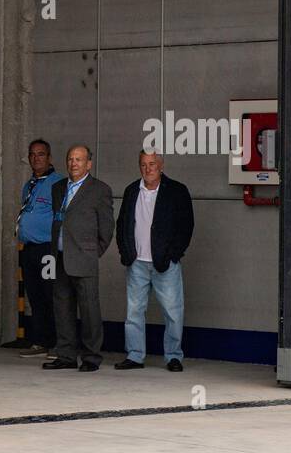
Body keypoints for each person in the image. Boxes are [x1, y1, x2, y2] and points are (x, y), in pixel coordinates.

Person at [115, 151, 194, 372]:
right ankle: (134, 355)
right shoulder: (132, 190)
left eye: (152, 164)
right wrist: (125, 253)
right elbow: (122, 224)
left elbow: (186, 226)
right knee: (133, 312)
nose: (148, 169)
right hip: (137, 262)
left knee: (172, 311)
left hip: (165, 263)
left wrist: (174, 254)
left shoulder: (177, 191)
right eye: (143, 164)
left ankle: (173, 356)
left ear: (161, 165)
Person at [44, 144, 114, 372]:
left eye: (79, 159)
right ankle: (65, 355)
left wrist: (92, 252)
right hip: (60, 256)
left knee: (89, 310)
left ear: (89, 164)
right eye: (71, 159)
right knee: (61, 308)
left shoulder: (99, 189)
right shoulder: (57, 188)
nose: (74, 163)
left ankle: (91, 357)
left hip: (84, 258)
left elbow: (106, 228)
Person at [16, 139, 63, 358]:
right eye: (32, 154)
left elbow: (61, 217)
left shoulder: (58, 183)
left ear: (49, 157)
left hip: (47, 249)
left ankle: (56, 343)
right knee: (34, 295)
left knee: (50, 294)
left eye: (41, 154)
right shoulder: (29, 185)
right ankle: (40, 341)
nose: (36, 158)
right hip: (29, 249)